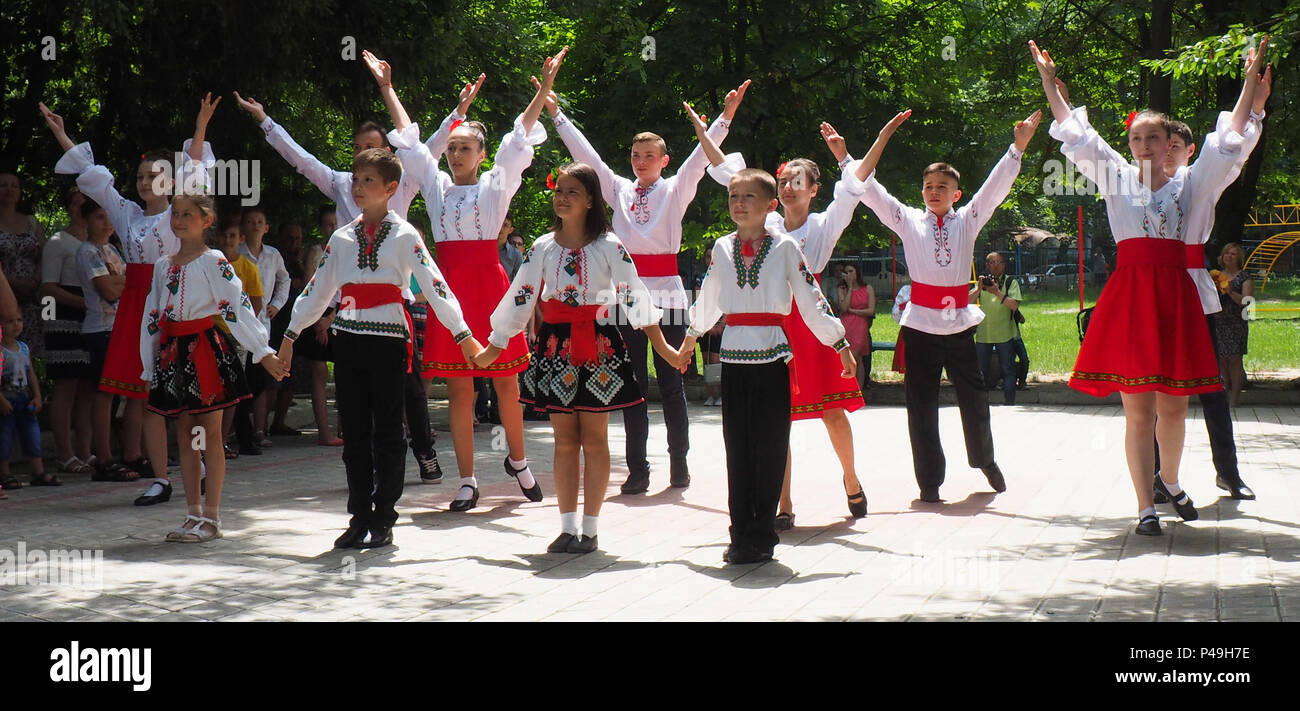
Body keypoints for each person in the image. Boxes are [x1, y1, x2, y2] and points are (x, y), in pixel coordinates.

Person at [1032, 37, 1266, 535]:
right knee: (1137, 408)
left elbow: (1227, 145)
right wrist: (1050, 84)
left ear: (1170, 144)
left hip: (1175, 297)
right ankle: (1145, 507)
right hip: (1133, 296)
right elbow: (1076, 136)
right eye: (1136, 140)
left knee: (1174, 407)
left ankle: (1173, 482)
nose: (1143, 147)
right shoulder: (1116, 177)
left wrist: (1249, 86)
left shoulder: (1193, 182)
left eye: (1153, 139)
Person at [371, 48, 561, 511]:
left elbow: (518, 141)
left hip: (491, 289)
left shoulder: (496, 186)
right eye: (452, 147)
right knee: (458, 387)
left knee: (505, 383)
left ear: (480, 153)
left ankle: (518, 460)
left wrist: (543, 90)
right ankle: (468, 480)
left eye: (465, 148)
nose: (455, 154)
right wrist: (387, 89)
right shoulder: (435, 187)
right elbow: (413, 147)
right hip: (447, 290)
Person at [546, 72, 749, 494]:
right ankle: (638, 469)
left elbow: (700, 158)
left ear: (663, 159)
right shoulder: (617, 189)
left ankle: (679, 463)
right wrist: (555, 113)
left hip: (669, 295)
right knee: (632, 384)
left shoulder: (675, 189)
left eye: (649, 155)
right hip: (623, 296)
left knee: (672, 382)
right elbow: (588, 157)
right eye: (636, 154)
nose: (640, 161)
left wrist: (725, 116)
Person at [279, 148, 481, 550]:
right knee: (353, 429)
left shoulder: (406, 235)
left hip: (390, 341)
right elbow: (319, 290)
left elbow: (435, 284)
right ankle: (359, 516)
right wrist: (289, 335)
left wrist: (463, 334)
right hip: (349, 339)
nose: (358, 187)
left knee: (388, 429)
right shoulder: (341, 237)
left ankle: (384, 516)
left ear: (391, 188)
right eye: (355, 179)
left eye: (368, 180)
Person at [478, 162, 678, 554]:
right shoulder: (541, 247)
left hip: (598, 345)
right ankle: (567, 527)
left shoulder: (610, 245)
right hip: (556, 348)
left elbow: (634, 294)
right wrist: (495, 344)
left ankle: (591, 528)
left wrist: (663, 346)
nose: (563, 198)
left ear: (590, 201)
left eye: (572, 191)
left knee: (595, 439)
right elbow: (521, 296)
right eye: (559, 191)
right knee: (564, 441)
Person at [852, 106, 1036, 502]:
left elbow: (993, 189)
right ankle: (929, 480)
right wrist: (844, 157)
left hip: (959, 326)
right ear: (922, 191)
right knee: (920, 406)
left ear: (956, 194)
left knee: (975, 397)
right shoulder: (906, 220)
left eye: (942, 186)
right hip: (919, 327)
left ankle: (985, 459)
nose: (933, 191)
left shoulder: (968, 219)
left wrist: (1016, 150)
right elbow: (871, 191)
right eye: (928, 185)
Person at [40, 95, 218, 506]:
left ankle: (200, 465)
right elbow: (93, 175)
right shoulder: (128, 215)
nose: (143, 181)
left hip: (173, 301)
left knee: (182, 393)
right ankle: (159, 477)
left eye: (153, 174)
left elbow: (195, 173)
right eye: (139, 175)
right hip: (137, 308)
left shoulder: (177, 215)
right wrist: (61, 134)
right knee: (148, 397)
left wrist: (200, 127)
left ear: (170, 182)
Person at [675, 162, 855, 565]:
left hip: (773, 356)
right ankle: (740, 534)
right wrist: (689, 339)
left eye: (748, 197)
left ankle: (763, 533)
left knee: (771, 445)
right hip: (735, 359)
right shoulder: (722, 248)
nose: (738, 204)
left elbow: (811, 300)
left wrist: (839, 342)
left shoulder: (786, 248)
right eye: (733, 197)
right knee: (737, 446)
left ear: (770, 204)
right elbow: (707, 299)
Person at [702, 118, 870, 526]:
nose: (788, 186)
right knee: (778, 417)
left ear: (813, 189)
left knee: (832, 410)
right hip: (773, 322)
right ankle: (784, 503)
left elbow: (855, 184)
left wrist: (867, 144)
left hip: (812, 321)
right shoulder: (769, 223)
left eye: (797, 181)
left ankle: (851, 479)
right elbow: (728, 172)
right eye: (783, 180)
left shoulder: (824, 223)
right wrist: (707, 130)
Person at [142, 191, 288, 542]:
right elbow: (152, 315)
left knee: (209, 435)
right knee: (186, 436)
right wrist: (148, 365)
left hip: (205, 350)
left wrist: (262, 351)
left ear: (207, 221)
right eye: (175, 214)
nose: (178, 220)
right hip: (174, 352)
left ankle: (212, 517)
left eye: (187, 215)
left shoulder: (215, 261)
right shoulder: (164, 265)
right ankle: (191, 513)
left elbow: (235, 307)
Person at [75, 198, 136, 482]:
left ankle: (130, 454)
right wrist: (123, 283)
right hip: (100, 329)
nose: (107, 222)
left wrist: (121, 281)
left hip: (120, 327)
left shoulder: (113, 250)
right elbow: (109, 291)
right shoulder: (87, 252)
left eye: (109, 216)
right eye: (100, 217)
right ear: (86, 220)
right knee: (104, 394)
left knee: (126, 393)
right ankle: (104, 459)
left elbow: (131, 284)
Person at [42, 187, 95, 475]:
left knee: (88, 387)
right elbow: (48, 287)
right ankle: (64, 453)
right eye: (77, 204)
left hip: (92, 317)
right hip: (63, 317)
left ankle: (86, 452)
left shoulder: (101, 242)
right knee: (67, 385)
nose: (81, 208)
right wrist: (81, 303)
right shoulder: (58, 242)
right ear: (69, 208)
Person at [212, 216, 265, 457]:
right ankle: (207, 443)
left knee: (232, 390)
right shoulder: (209, 264)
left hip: (237, 335)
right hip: (212, 330)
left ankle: (221, 440)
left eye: (233, 235)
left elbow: (256, 303)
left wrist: (242, 326)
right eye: (224, 235)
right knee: (213, 388)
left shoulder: (248, 268)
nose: (227, 240)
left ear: (241, 239)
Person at [238, 206, 290, 447]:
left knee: (261, 377)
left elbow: (284, 279)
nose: (255, 225)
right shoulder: (236, 254)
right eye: (250, 221)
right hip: (238, 322)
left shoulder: (273, 255)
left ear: (266, 227)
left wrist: (277, 304)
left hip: (263, 322)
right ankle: (235, 430)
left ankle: (259, 429)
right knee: (240, 376)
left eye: (260, 221)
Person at [0, 311, 56, 489]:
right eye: (10, 321)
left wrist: (38, 395)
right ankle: (4, 473)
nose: (16, 325)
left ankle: (38, 471)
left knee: (33, 435)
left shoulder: (24, 347)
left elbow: (31, 373)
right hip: (6, 401)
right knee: (4, 437)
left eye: (19, 320)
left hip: (25, 401)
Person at [0, 170, 46, 360]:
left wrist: (35, 280)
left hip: (31, 301)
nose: (9, 189)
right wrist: (13, 283)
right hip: (3, 296)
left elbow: (45, 256)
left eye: (14, 185)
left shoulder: (32, 222)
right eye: (4, 185)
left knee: (27, 358)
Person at [972, 251, 1022, 405]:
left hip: (1004, 335)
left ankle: (1009, 403)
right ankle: (980, 404)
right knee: (981, 373)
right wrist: (979, 289)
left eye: (999, 262)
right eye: (992, 262)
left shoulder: (1010, 282)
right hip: (983, 335)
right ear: (987, 265)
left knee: (1008, 370)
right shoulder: (982, 283)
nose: (995, 266)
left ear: (1004, 265)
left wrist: (997, 292)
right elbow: (965, 302)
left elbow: (1014, 305)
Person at [1211, 242, 1253, 408]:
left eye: (1233, 254)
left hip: (1236, 323)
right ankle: (1223, 395)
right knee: (1221, 360)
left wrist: (1229, 291)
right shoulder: (1214, 276)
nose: (1229, 256)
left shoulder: (1244, 277)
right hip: (1218, 322)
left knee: (1235, 360)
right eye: (1227, 253)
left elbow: (1246, 301)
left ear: (1239, 258)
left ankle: (1234, 399)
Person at [838, 263, 875, 393]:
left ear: (857, 272)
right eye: (846, 272)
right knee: (854, 358)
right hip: (846, 325)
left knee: (855, 355)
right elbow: (843, 308)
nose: (849, 274)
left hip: (861, 326)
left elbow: (871, 311)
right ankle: (853, 391)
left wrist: (853, 311)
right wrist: (850, 287)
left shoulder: (867, 288)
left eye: (851, 271)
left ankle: (856, 390)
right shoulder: (842, 289)